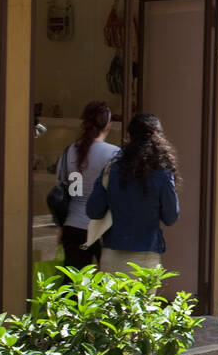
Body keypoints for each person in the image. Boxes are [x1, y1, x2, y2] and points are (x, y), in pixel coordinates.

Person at [86, 113, 180, 274]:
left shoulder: (112, 169)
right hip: (146, 254)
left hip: (112, 253)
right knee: (143, 300)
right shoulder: (162, 173)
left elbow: (93, 210)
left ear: (129, 136)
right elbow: (171, 217)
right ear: (157, 136)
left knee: (112, 299)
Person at [56, 101, 119, 270]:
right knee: (106, 284)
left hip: (73, 225)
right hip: (102, 227)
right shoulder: (114, 153)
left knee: (73, 286)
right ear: (108, 126)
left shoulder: (69, 151)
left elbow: (62, 186)